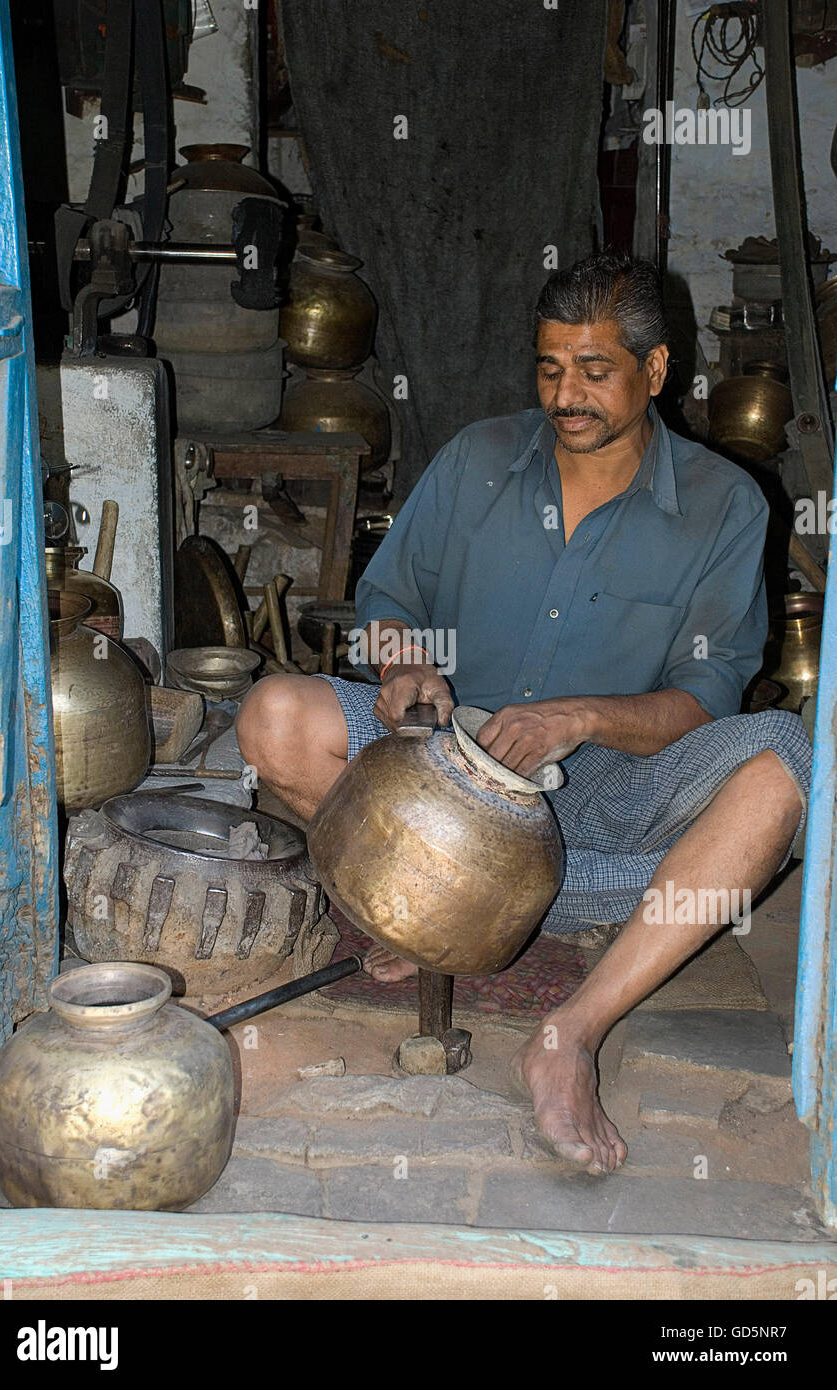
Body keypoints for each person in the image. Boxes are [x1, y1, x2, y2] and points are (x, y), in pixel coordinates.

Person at [236, 252, 810, 1175]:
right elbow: (384, 604)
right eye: (549, 367)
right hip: (442, 771)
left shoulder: (723, 506)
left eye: (594, 370)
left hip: (606, 786)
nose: (565, 393)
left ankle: (569, 1031)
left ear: (654, 372)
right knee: (271, 714)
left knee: (787, 758)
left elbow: (702, 702)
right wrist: (406, 663)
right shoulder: (479, 459)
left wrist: (576, 719)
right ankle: (422, 912)